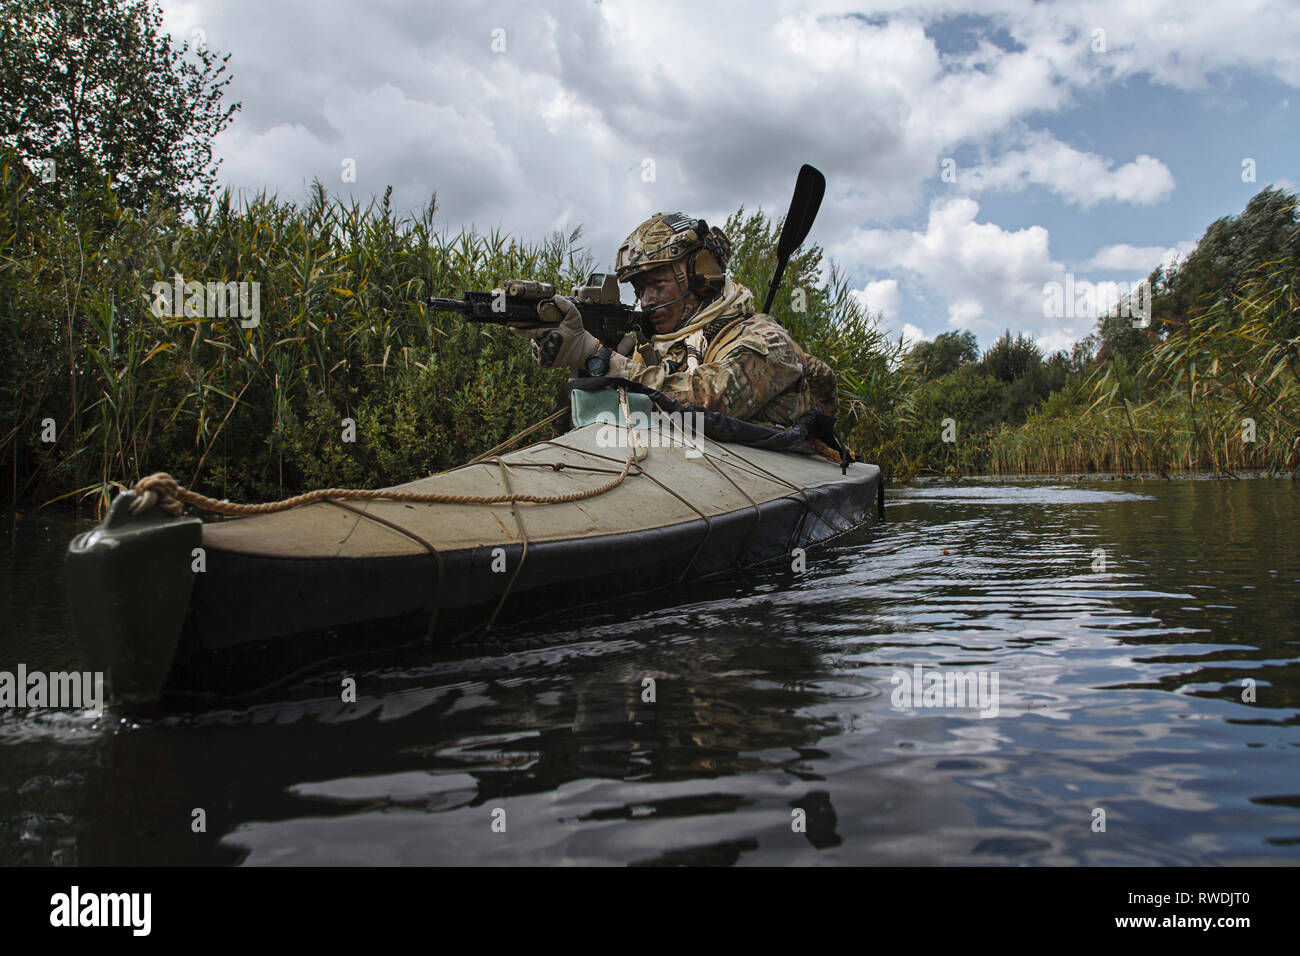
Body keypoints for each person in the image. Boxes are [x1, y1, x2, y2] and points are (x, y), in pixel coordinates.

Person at [516, 212, 837, 429]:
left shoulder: (765, 339)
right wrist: (581, 357)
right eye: (640, 289)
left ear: (702, 276)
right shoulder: (660, 348)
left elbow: (710, 402)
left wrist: (598, 356)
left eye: (658, 284)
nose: (646, 300)